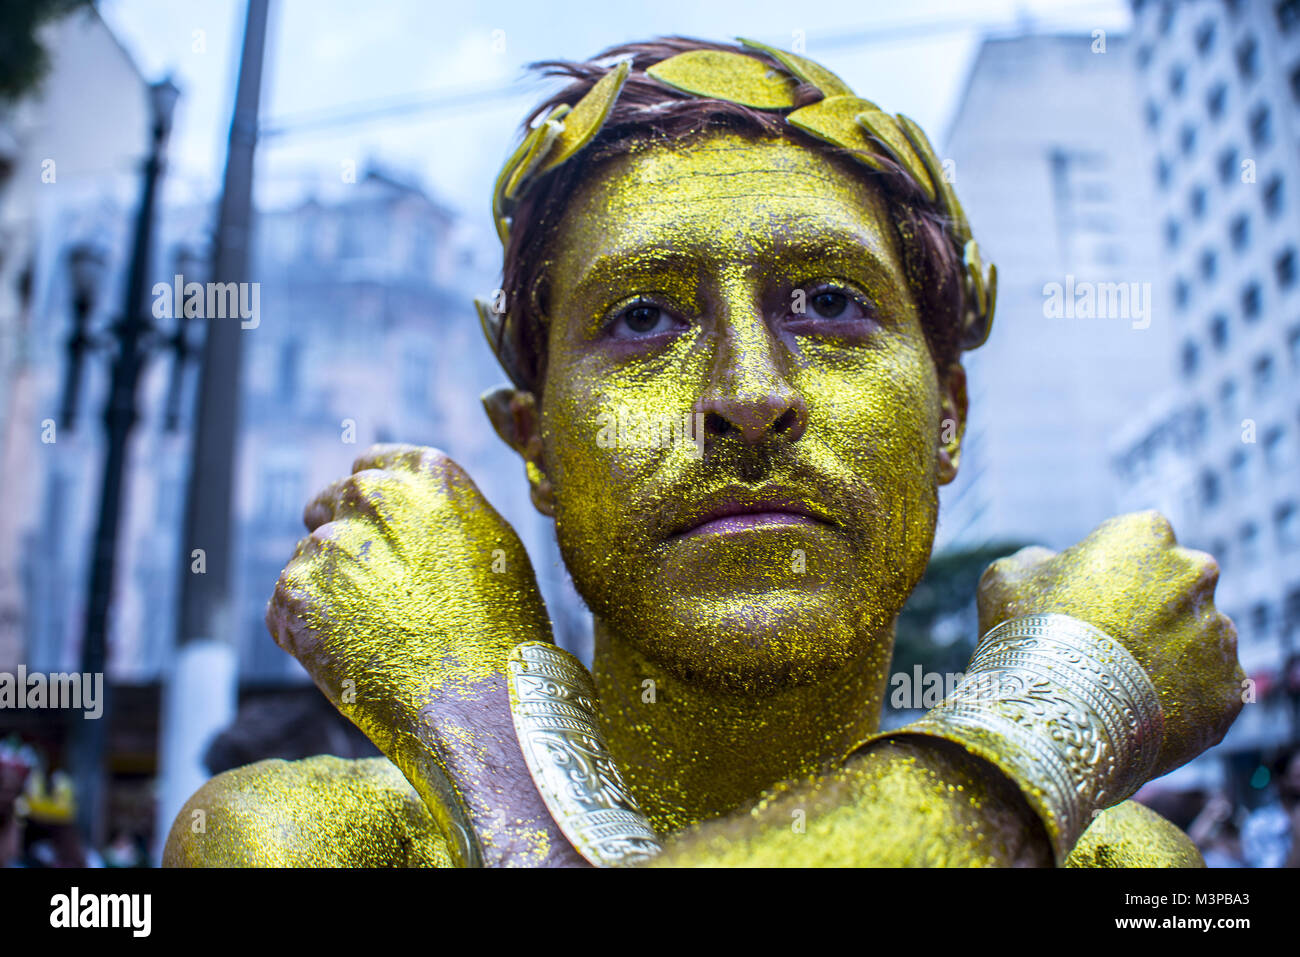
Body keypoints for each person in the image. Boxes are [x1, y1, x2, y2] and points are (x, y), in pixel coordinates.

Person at [164, 37, 1243, 868]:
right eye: (641, 318)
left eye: (829, 303)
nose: (747, 397)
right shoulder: (306, 848)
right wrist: (1057, 713)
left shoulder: (1125, 866)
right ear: (534, 446)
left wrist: (480, 722)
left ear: (947, 414)